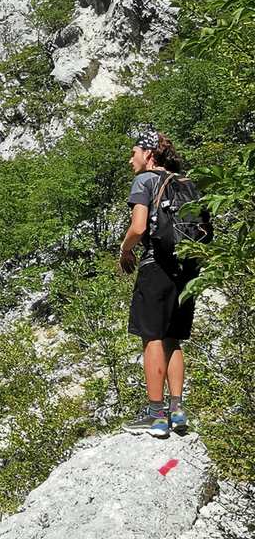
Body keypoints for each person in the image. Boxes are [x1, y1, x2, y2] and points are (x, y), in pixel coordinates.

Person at [119, 129, 194, 438]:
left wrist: (124, 250)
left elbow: (139, 227)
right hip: (187, 268)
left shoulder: (145, 180)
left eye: (134, 152)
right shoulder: (186, 182)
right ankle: (177, 410)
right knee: (172, 338)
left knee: (151, 337)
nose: (130, 158)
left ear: (149, 154)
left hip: (157, 266)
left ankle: (155, 414)